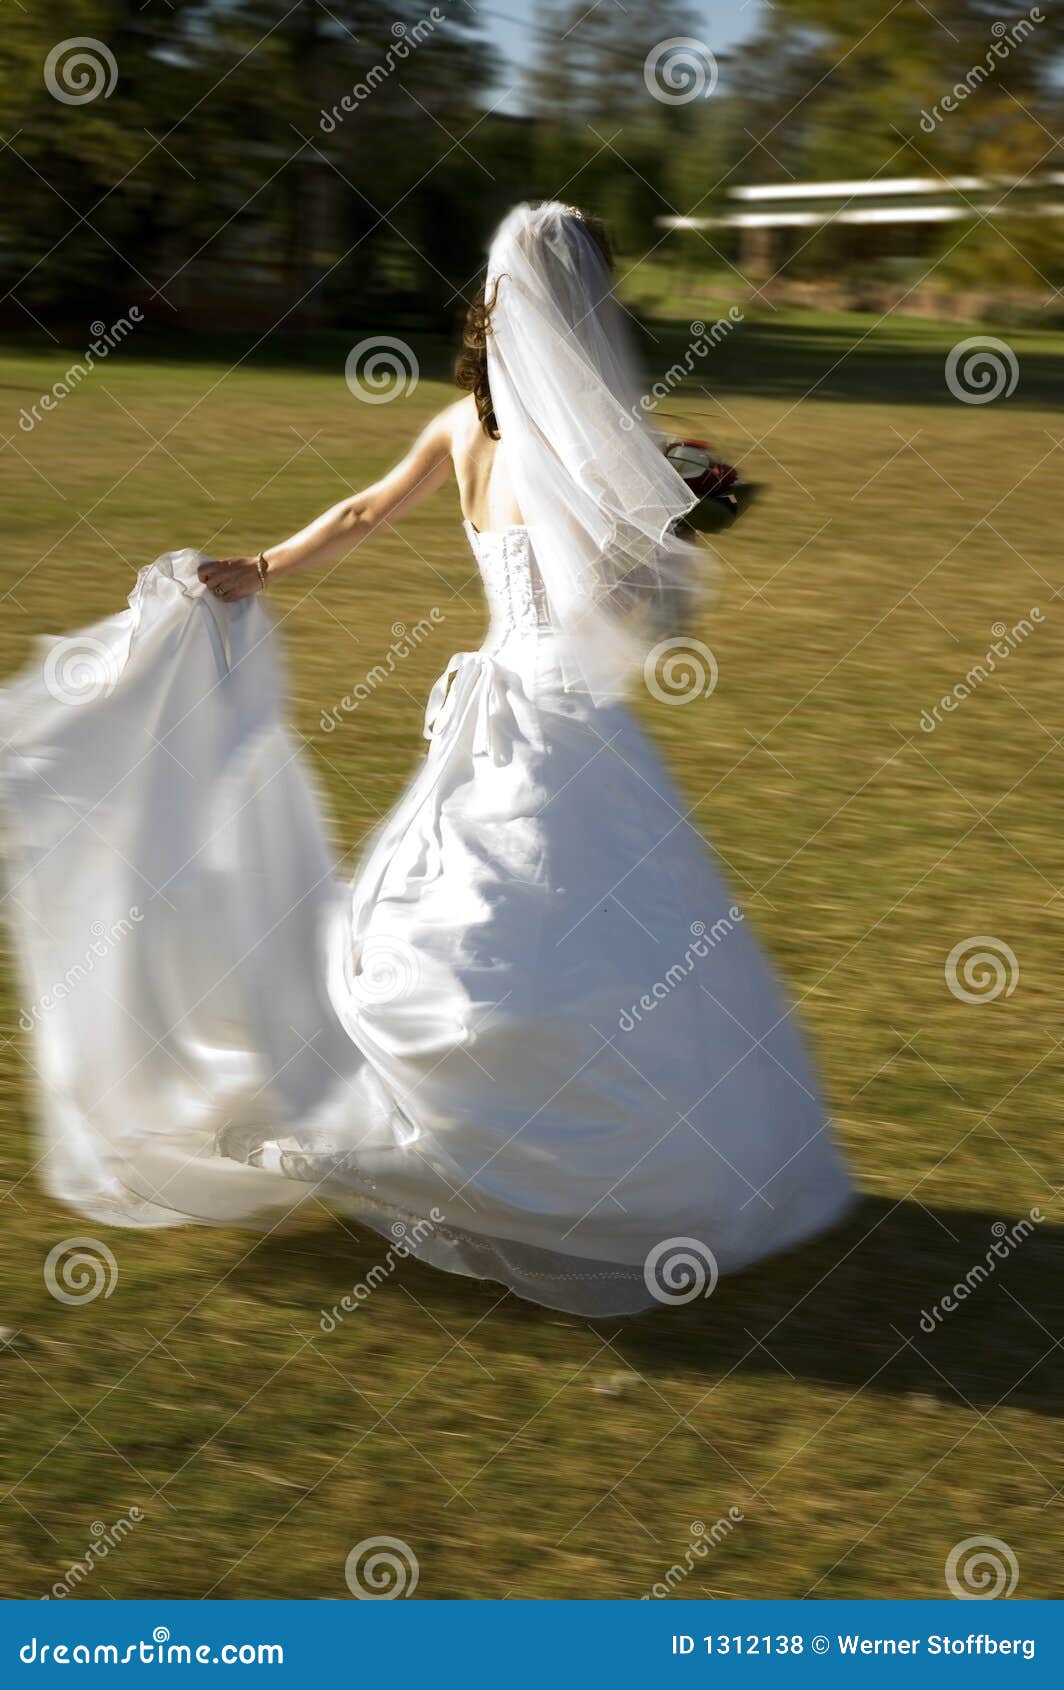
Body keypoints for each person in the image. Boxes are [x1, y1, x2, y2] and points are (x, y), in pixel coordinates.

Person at [1, 202, 853, 1316]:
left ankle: (463, 1138)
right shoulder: (595, 450)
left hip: (494, 698)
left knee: (459, 922)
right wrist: (672, 520)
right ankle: (574, 1165)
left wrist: (260, 563)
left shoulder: (465, 426)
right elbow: (640, 615)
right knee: (586, 936)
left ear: (494, 307)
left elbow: (363, 509)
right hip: (564, 717)